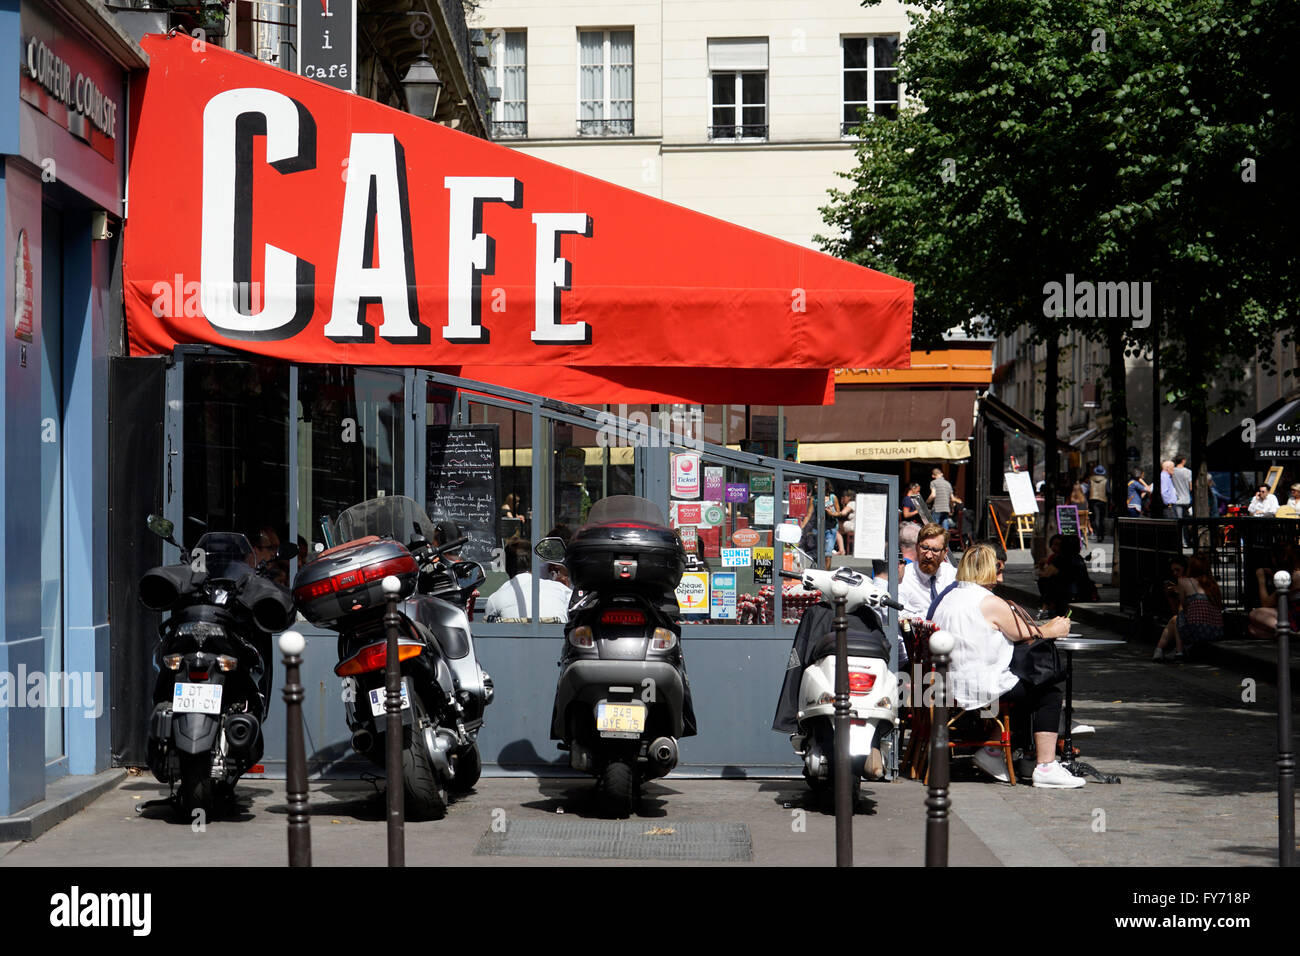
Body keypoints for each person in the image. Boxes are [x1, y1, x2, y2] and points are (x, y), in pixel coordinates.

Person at [928, 544, 1082, 788]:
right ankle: (1046, 766)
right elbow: (1028, 633)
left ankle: (992, 752)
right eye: (997, 569)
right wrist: (1055, 628)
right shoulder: (987, 601)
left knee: (1024, 685)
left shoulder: (950, 596)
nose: (1000, 577)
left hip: (946, 682)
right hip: (975, 685)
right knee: (1047, 690)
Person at [484, 536, 572, 622]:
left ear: (506, 567)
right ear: (533, 564)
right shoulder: (560, 590)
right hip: (557, 636)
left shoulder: (495, 598)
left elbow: (490, 628)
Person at [1153, 553, 1224, 660]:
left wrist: (1177, 594)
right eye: (1173, 571)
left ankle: (1171, 651)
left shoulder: (1184, 582)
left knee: (1176, 619)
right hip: (1216, 630)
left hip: (1198, 630)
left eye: (1178, 570)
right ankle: (1167, 651)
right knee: (1177, 619)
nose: (1175, 574)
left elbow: (1182, 611)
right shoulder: (1212, 584)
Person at [898, 523, 957, 617]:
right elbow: (899, 614)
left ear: (945, 553)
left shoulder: (952, 576)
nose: (928, 555)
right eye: (924, 548)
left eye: (935, 550)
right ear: (917, 547)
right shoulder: (904, 577)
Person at [1247, 546, 1300, 639]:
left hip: (1296, 616)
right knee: (1252, 629)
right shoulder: (1294, 575)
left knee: (1255, 613)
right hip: (1292, 613)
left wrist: (1261, 580)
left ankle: (1288, 631)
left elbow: (1266, 603)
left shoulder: (1296, 576)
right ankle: (1289, 636)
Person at [1088, 466, 1110, 541]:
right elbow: (1108, 491)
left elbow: (1088, 490)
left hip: (1093, 500)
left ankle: (1097, 533)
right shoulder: (1105, 480)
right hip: (1103, 500)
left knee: (1095, 518)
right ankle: (1101, 534)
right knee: (1101, 518)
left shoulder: (1090, 479)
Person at [838, 491, 856, 555]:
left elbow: (843, 513)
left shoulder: (851, 503)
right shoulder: (856, 503)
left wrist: (834, 513)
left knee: (836, 529)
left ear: (849, 497)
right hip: (856, 526)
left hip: (852, 526)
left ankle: (841, 550)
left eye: (844, 497)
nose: (843, 498)